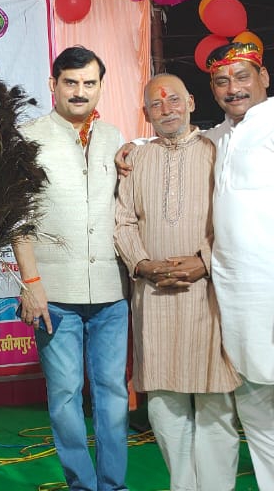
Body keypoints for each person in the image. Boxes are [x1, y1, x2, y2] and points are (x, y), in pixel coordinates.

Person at [115, 42, 274, 488]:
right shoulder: (138, 158)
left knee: (216, 407)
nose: (166, 108)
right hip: (154, 298)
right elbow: (122, 220)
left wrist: (204, 262)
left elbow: (223, 223)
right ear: (145, 114)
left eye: (174, 99)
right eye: (154, 103)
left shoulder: (213, 147)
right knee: (164, 408)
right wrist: (142, 264)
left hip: (209, 298)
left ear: (191, 103)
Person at [12, 46, 129, 491]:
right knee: (64, 397)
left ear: (100, 86)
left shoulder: (116, 138)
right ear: (53, 85)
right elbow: (17, 219)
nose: (80, 92)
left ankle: (113, 485)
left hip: (111, 292)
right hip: (53, 295)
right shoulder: (27, 138)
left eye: (90, 83)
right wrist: (33, 283)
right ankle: (82, 485)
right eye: (71, 82)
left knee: (113, 396)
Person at [205, 42, 274, 488]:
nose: (233, 89)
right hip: (233, 291)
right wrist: (131, 150)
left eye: (242, 76)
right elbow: (169, 143)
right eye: (222, 81)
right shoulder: (218, 136)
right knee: (252, 394)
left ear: (264, 76)